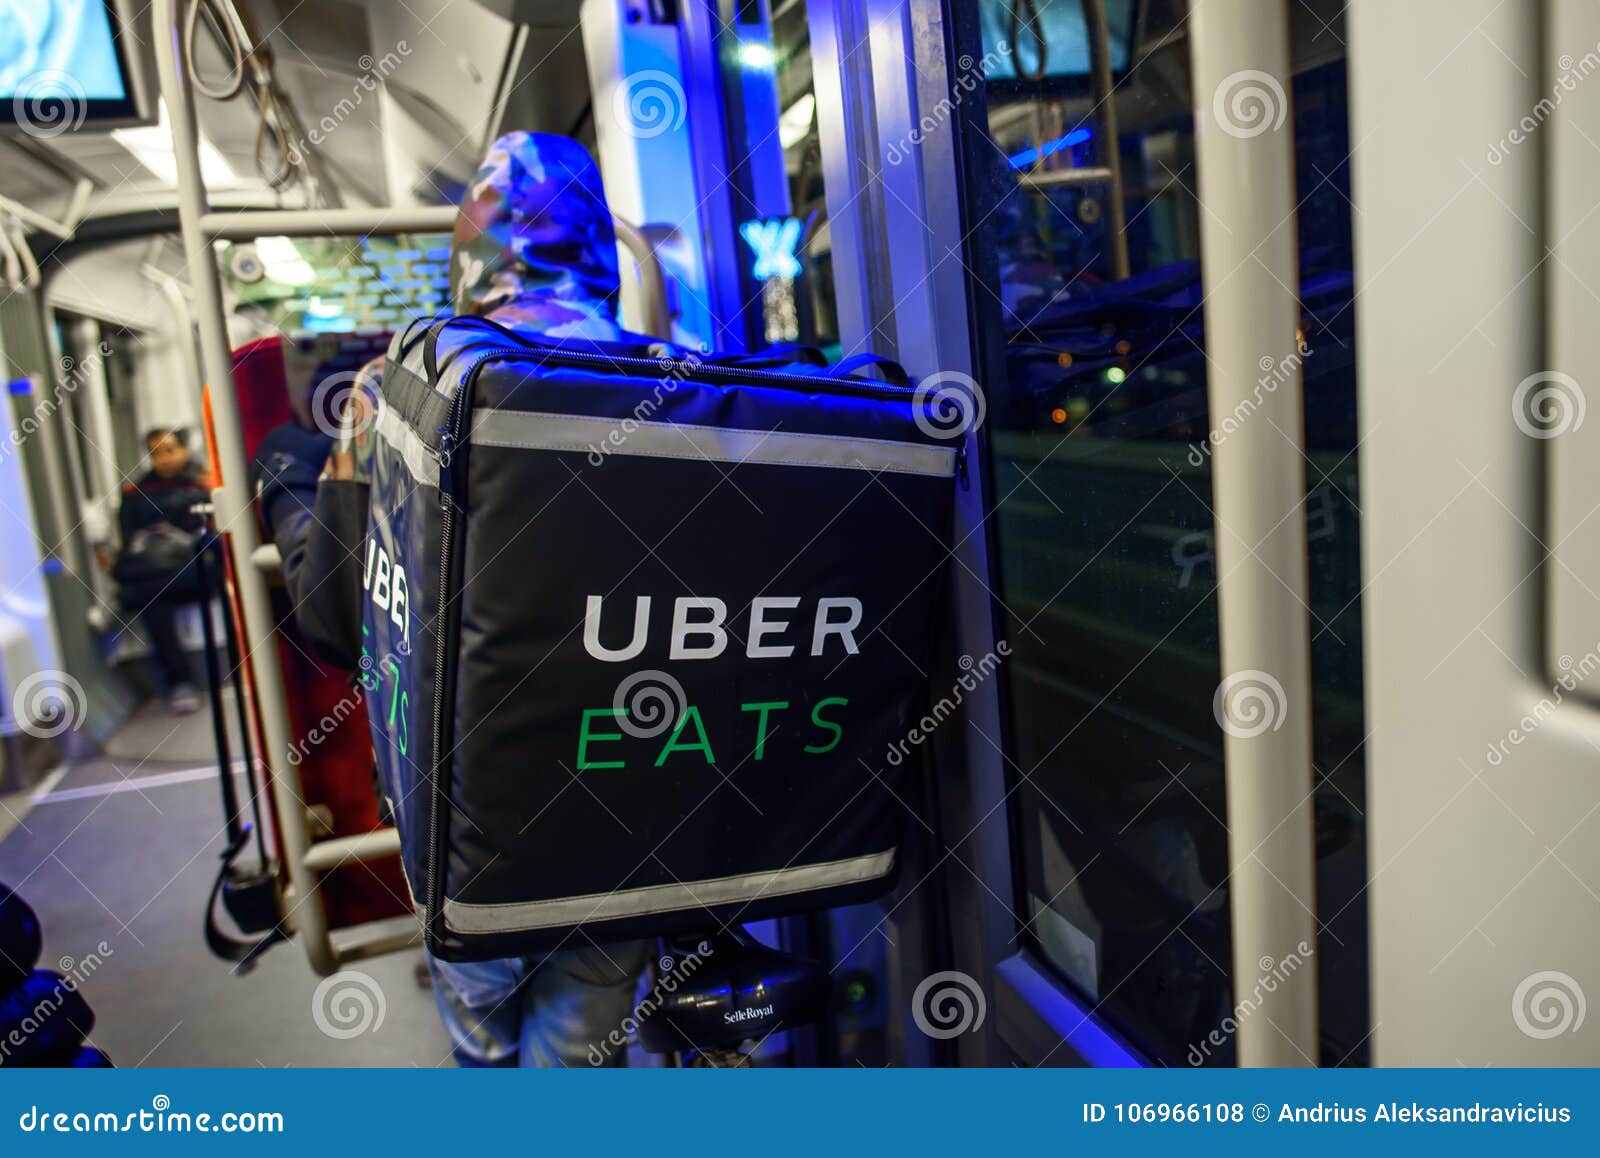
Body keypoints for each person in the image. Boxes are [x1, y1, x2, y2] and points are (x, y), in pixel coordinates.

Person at [252, 132, 651, 1067]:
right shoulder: (674, 377)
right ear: (598, 243)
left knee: (483, 1049)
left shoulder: (397, 394)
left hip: (463, 831)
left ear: (466, 255)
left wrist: (286, 486)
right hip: (627, 819)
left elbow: (331, 620)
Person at [115, 427, 210, 715]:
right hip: (157, 571)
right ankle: (181, 682)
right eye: (156, 453)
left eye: (170, 451)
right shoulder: (136, 493)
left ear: (183, 450)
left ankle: (181, 682)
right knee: (153, 598)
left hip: (195, 568)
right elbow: (128, 538)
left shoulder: (201, 485)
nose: (164, 459)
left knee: (148, 593)